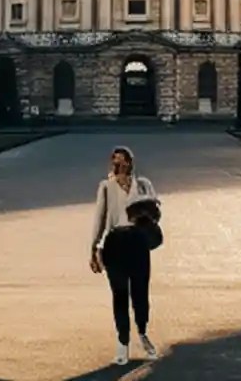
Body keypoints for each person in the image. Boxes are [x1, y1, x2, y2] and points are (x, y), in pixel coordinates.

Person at [89, 146, 160, 365]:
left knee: (140, 292)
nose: (117, 165)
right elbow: (99, 218)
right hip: (115, 242)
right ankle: (122, 341)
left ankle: (142, 330)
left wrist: (145, 214)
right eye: (114, 161)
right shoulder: (106, 187)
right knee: (119, 294)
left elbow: (156, 213)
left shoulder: (143, 185)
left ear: (130, 163)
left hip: (138, 241)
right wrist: (93, 247)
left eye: (122, 161)